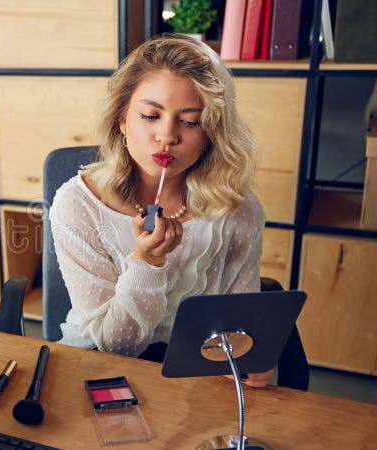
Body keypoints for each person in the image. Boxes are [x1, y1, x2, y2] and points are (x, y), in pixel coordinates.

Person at [50, 34, 270, 388]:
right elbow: (116, 346)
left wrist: (249, 355)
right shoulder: (78, 206)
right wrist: (146, 263)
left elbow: (237, 320)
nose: (166, 136)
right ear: (122, 119)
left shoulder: (237, 209)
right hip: (98, 366)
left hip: (198, 372)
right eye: (150, 115)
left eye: (191, 120)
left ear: (211, 132)